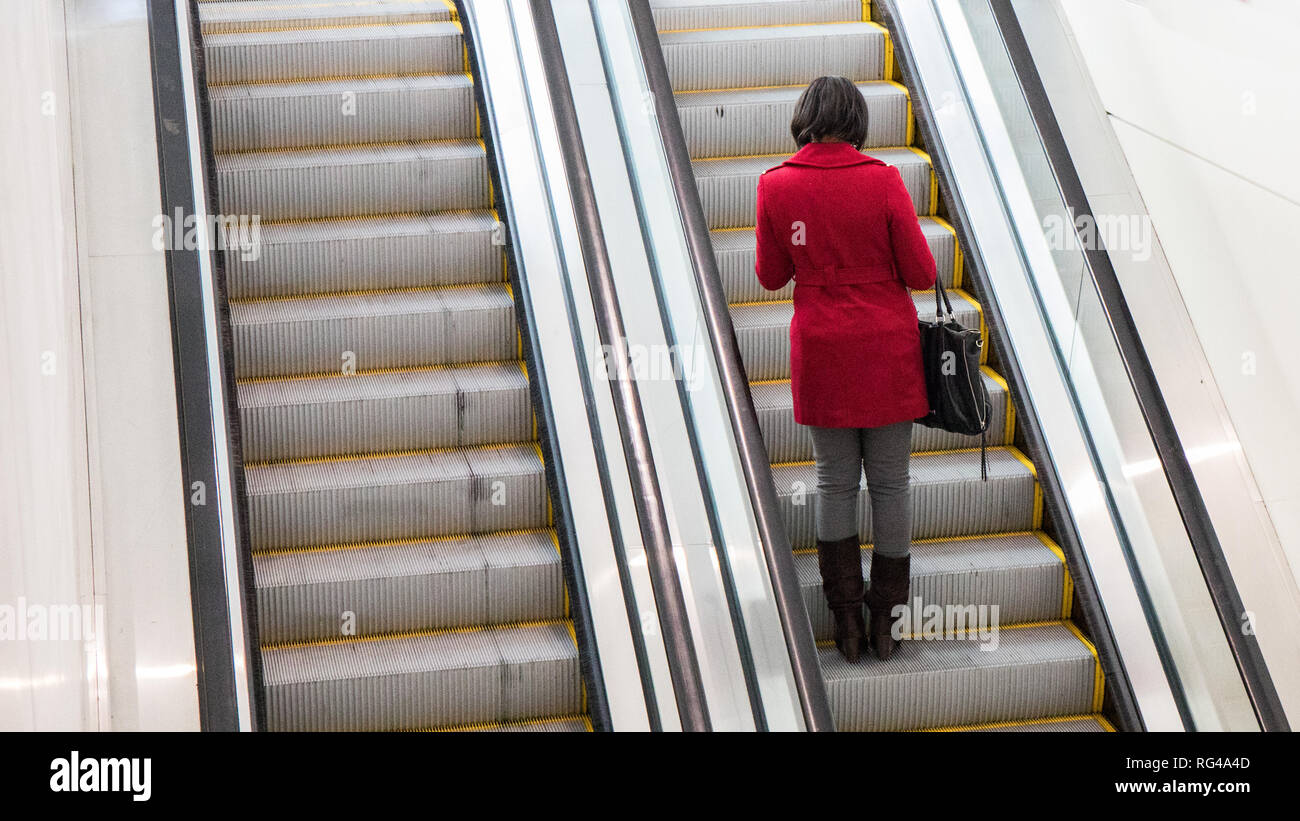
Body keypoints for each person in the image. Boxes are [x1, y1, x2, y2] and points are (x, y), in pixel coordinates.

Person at [755, 75, 937, 662]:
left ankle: (845, 624)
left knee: (834, 483)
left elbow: (770, 275)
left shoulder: (776, 186)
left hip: (824, 350)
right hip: (887, 350)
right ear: (857, 120)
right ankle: (886, 622)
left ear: (804, 117)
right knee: (891, 485)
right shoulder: (883, 181)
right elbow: (922, 275)